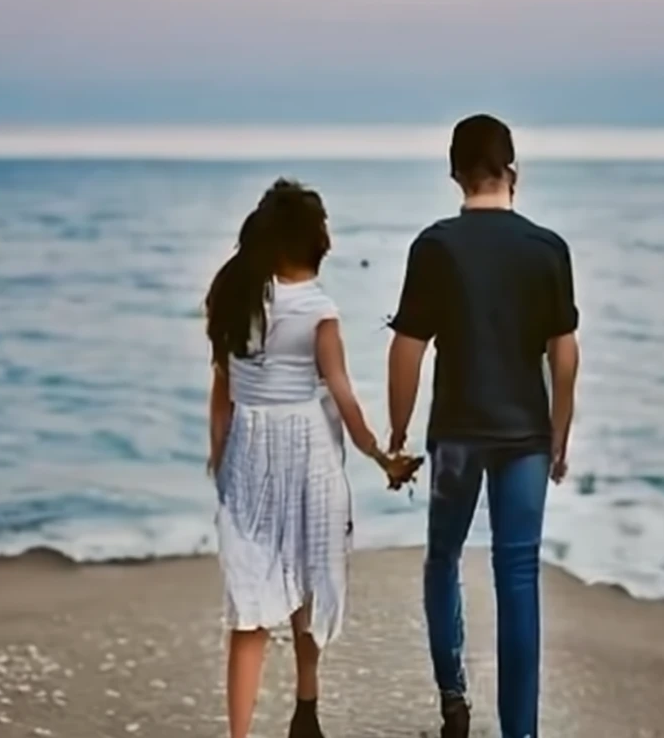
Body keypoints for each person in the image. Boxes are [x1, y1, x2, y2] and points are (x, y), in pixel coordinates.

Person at [386, 115, 580, 738]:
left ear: (454, 175)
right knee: (517, 575)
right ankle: (520, 732)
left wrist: (397, 434)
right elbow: (565, 354)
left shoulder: (435, 245)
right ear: (512, 174)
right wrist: (560, 431)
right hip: (525, 434)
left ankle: (454, 700)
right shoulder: (548, 248)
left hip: (458, 437)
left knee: (443, 559)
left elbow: (407, 350)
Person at [205, 178, 419, 738]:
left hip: (248, 454)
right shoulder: (320, 311)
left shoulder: (237, 298)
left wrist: (220, 461)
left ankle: (240, 734)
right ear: (314, 243)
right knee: (310, 575)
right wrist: (382, 456)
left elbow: (222, 391)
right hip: (307, 453)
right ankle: (306, 706)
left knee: (248, 604)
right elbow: (343, 397)